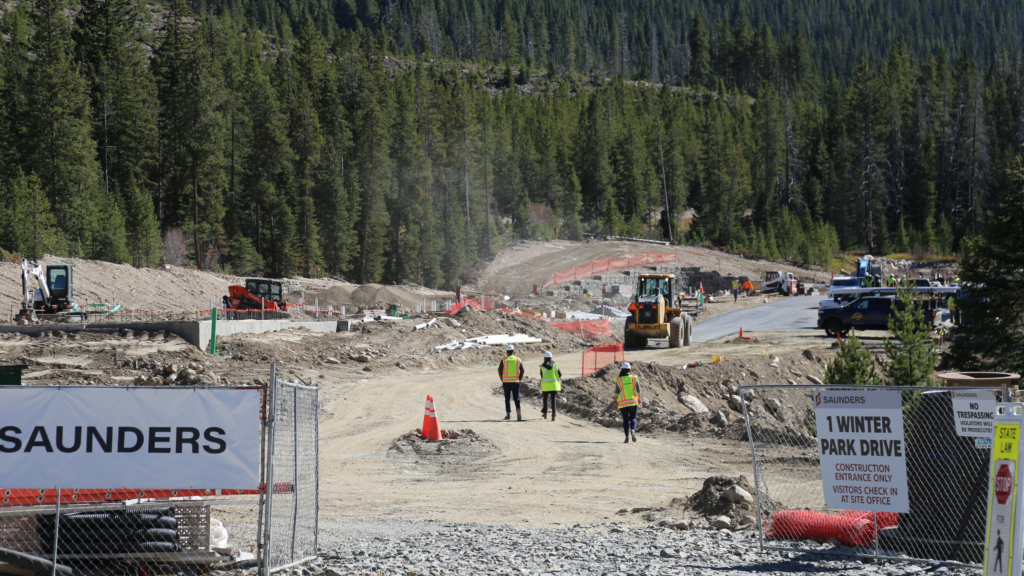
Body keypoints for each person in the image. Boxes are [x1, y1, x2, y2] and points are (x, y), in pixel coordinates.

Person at [614, 363, 641, 443]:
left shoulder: (619, 380)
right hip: (633, 401)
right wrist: (639, 399)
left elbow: (616, 393)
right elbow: (639, 390)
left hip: (622, 403)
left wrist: (615, 402)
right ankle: (633, 430)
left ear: (622, 370)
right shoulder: (634, 378)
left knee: (625, 419)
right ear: (630, 370)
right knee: (633, 418)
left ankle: (627, 437)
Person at [498, 345, 525, 421]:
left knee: (507, 398)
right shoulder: (518, 359)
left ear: (507, 352)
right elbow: (522, 370)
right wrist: (519, 379)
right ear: (514, 352)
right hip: (515, 382)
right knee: (516, 398)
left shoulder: (504, 360)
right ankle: (518, 409)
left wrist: (502, 379)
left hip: (506, 382)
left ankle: (508, 414)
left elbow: (499, 370)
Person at [539, 351, 562, 421]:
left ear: (545, 358)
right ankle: (553, 415)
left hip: (545, 386)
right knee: (553, 400)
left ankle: (545, 413)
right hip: (554, 385)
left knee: (545, 399)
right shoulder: (555, 365)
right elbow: (560, 374)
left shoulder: (542, 366)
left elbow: (541, 375)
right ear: (551, 358)